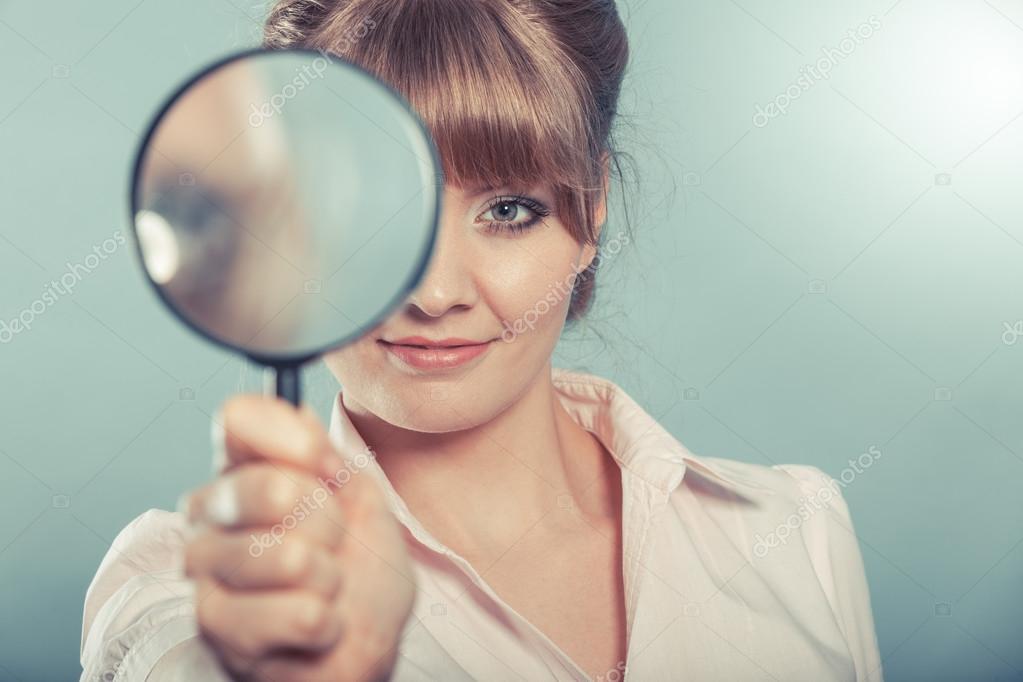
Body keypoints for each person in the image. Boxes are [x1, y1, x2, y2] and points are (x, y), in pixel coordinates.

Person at [80, 1, 883, 680]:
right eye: (376, 217)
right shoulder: (181, 592)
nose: (434, 294)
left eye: (506, 210)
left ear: (592, 206)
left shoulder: (796, 527)